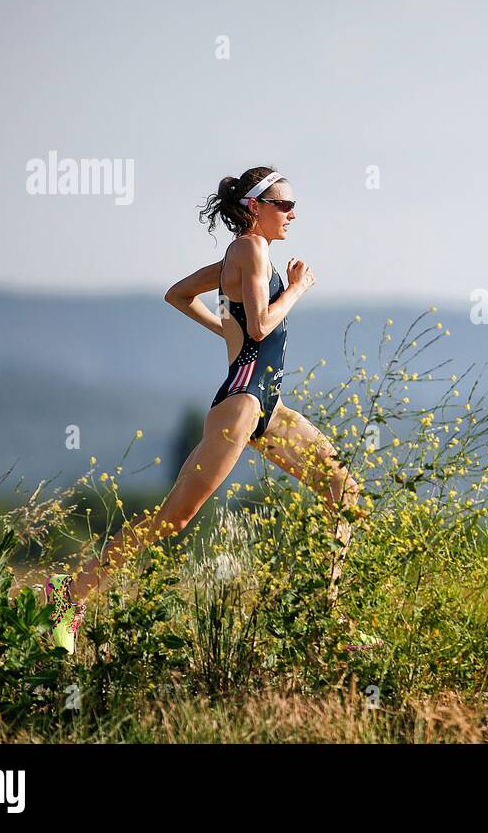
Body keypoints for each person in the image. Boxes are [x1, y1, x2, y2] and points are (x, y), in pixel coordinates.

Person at [45, 166, 377, 653]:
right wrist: (297, 291)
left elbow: (179, 295)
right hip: (241, 404)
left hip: (268, 405)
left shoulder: (242, 256)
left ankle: (329, 620)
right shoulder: (251, 249)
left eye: (292, 205)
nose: (292, 212)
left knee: (345, 493)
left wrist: (230, 330)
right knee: (175, 517)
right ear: (254, 208)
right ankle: (67, 596)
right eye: (283, 204)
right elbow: (261, 327)